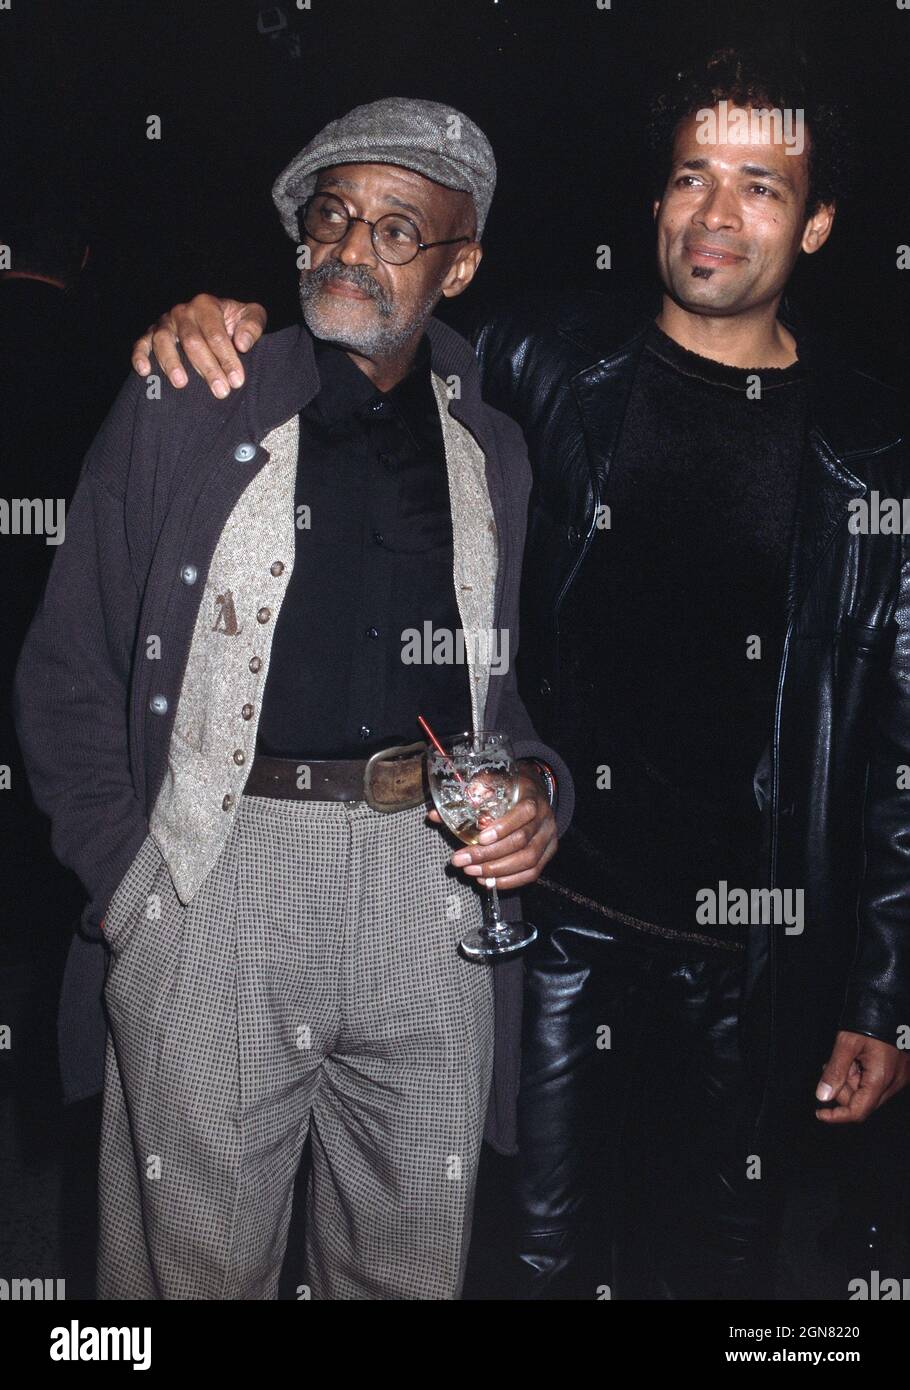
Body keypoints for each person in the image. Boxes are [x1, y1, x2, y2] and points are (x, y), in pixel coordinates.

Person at [130, 46, 910, 1299]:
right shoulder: (536, 370)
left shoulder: (871, 450)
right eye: (691, 177)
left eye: (759, 187)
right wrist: (209, 322)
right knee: (520, 1260)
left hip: (754, 955)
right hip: (544, 921)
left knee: (722, 1263)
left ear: (814, 223)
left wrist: (881, 993)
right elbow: (358, 332)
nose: (716, 214)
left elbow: (894, 750)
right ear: (653, 201)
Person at [13, 97, 573, 1301]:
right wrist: (135, 895)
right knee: (187, 1280)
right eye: (332, 217)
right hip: (219, 876)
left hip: (431, 892)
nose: (351, 249)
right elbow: (65, 672)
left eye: (395, 230)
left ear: (460, 262)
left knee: (412, 1266)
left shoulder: (497, 450)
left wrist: (536, 792)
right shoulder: (193, 393)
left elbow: (503, 698)